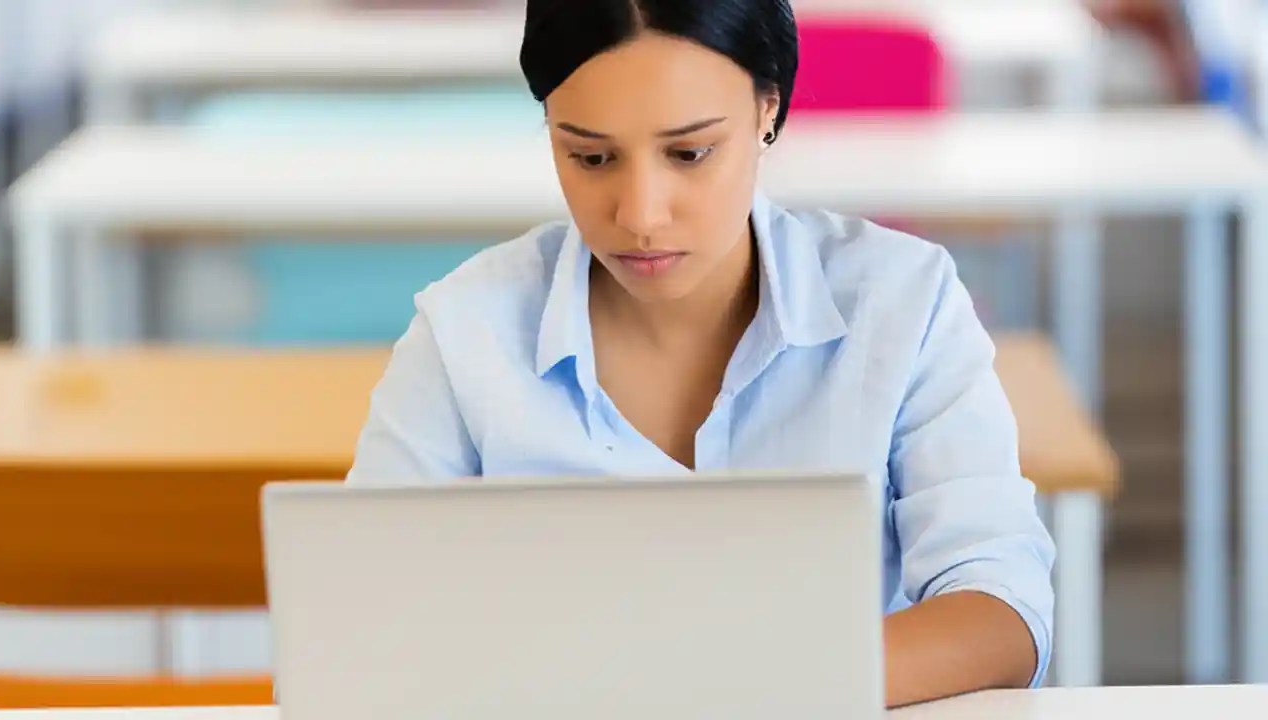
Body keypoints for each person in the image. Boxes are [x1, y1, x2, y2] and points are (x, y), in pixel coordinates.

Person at [347, 0, 1055, 707]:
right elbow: (358, 628)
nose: (641, 214)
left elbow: (1002, 607)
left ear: (767, 109)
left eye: (690, 154)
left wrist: (730, 691)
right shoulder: (465, 330)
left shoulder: (901, 302)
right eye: (590, 157)